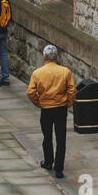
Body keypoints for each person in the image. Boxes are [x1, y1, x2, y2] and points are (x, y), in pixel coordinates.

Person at [26, 44, 77, 180]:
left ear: (44, 57)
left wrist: (39, 102)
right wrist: (68, 103)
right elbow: (72, 90)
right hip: (60, 108)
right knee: (61, 139)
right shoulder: (65, 71)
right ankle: (59, 169)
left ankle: (48, 162)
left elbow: (30, 92)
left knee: (47, 136)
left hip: (46, 108)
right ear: (56, 57)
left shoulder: (37, 73)